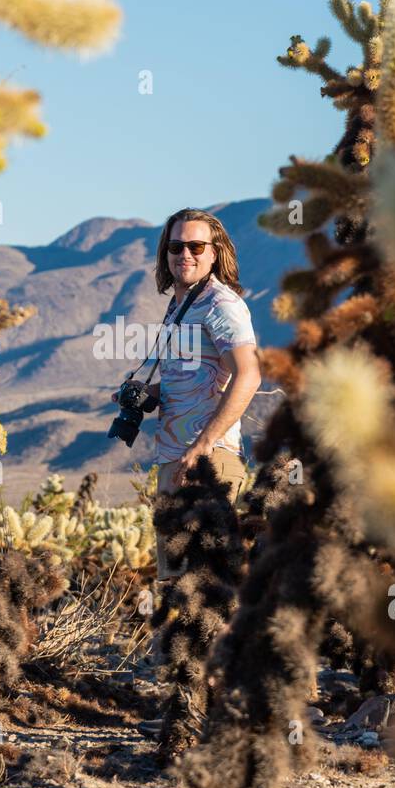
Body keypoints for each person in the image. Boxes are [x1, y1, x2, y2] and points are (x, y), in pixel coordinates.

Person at [149, 207, 261, 582]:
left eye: (196, 246)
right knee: (175, 587)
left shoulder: (219, 303)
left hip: (207, 463)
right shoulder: (181, 305)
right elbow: (195, 376)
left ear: (215, 252)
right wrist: (149, 392)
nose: (186, 255)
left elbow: (249, 373)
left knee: (201, 591)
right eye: (176, 246)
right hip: (177, 460)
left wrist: (204, 444)